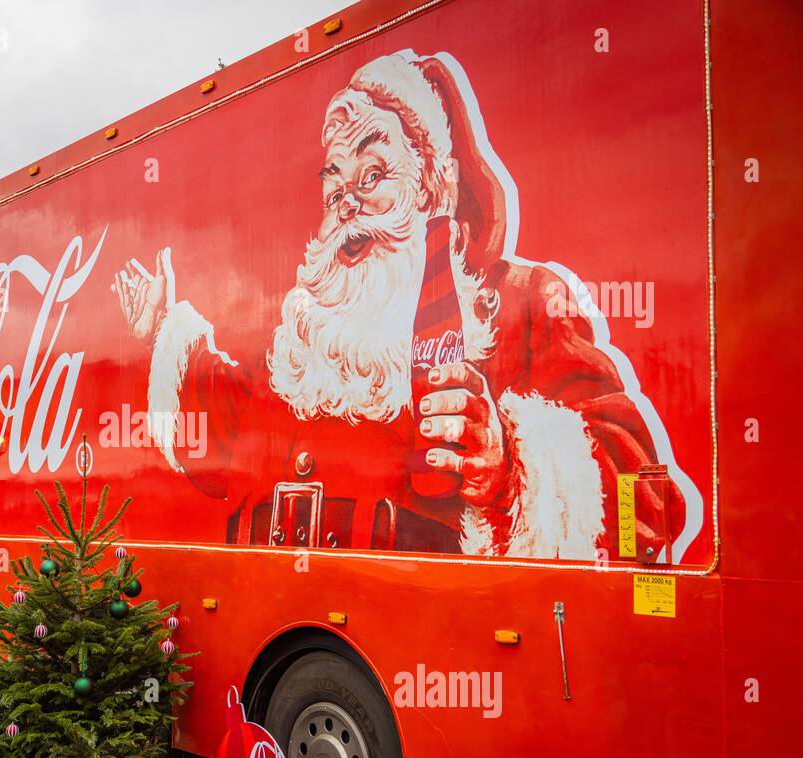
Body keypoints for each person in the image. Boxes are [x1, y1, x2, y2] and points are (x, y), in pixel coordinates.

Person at [116, 49, 691, 562]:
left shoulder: (521, 300)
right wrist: (163, 331)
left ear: (433, 183)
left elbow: (645, 500)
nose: (347, 206)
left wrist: (512, 466)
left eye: (373, 176)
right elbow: (227, 425)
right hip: (285, 618)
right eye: (336, 187)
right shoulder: (308, 332)